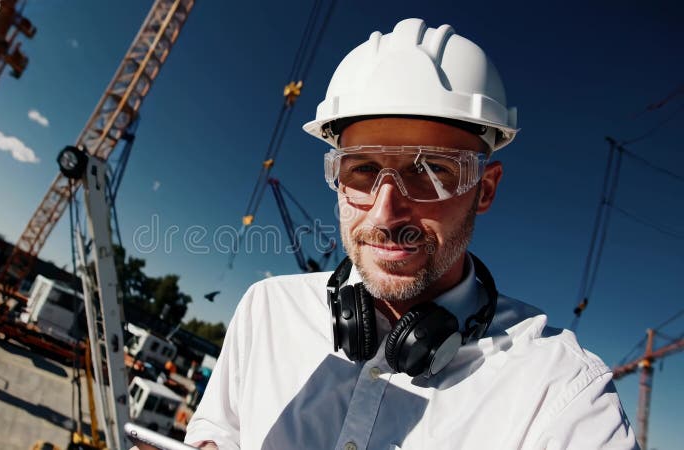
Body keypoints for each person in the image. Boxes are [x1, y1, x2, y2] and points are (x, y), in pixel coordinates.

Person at [134, 18, 639, 450]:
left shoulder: (560, 394)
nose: (385, 212)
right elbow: (220, 432)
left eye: (432, 172)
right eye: (361, 169)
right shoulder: (267, 312)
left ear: (484, 189)